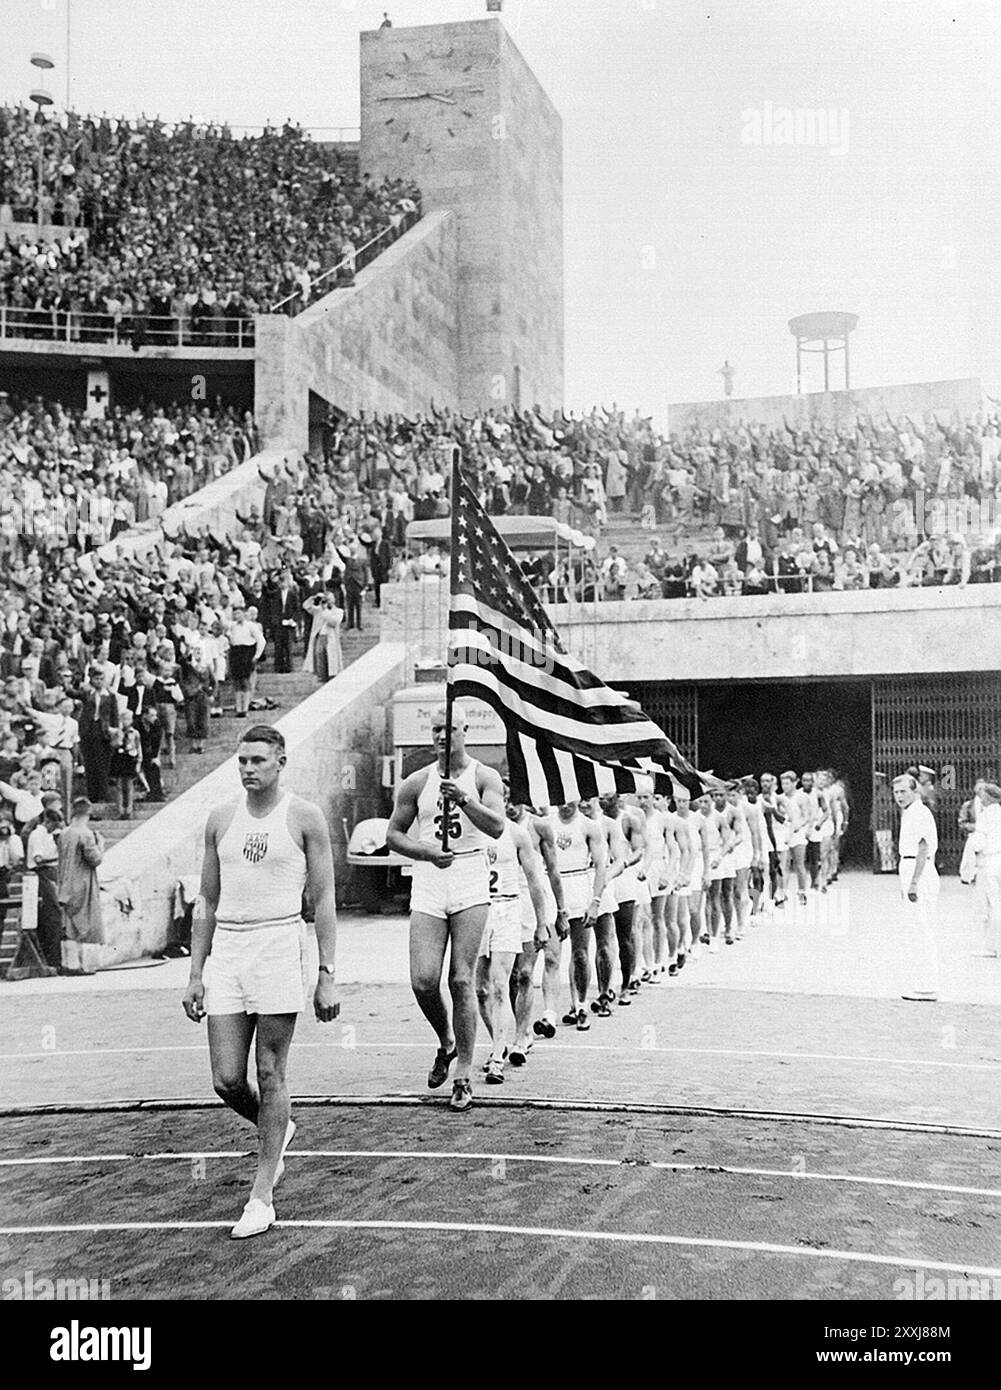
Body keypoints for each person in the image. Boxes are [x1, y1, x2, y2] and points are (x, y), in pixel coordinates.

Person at [182, 726, 340, 1239]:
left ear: (280, 762)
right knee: (227, 1079)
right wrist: (195, 972)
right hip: (228, 947)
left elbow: (324, 902)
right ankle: (280, 1128)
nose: (248, 769)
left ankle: (261, 1195)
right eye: (241, 761)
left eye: (257, 760)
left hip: (278, 944)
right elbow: (205, 898)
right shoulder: (220, 818)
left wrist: (327, 975)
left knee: (270, 1073)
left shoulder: (305, 816)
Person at [385, 702, 505, 1112]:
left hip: (470, 873)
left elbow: (497, 827)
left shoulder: (484, 776)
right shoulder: (417, 781)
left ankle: (464, 1075)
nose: (441, 736)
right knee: (422, 979)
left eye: (449, 729)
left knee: (461, 979)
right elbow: (393, 835)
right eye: (435, 729)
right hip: (431, 876)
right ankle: (446, 1039)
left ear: (464, 731)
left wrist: (466, 800)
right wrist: (423, 851)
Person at [476, 804, 549, 1083]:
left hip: (508, 908)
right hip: (477, 910)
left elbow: (534, 881)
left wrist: (542, 924)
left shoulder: (517, 834)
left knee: (500, 984)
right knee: (480, 990)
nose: (500, 804)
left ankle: (496, 1057)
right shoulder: (472, 833)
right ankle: (500, 1039)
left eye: (505, 798)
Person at [507, 799, 566, 1057]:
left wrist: (562, 910)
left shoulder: (538, 826)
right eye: (504, 801)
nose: (509, 806)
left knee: (532, 969)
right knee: (513, 975)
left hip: (537, 899)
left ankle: (546, 1017)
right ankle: (522, 1029)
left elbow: (553, 870)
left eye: (513, 800)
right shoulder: (493, 827)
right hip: (508, 900)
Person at [549, 798, 607, 1027]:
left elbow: (601, 864)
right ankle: (551, 1011)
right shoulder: (547, 823)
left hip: (579, 887)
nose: (565, 806)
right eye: (560, 801)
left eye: (569, 801)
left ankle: (581, 1004)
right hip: (553, 887)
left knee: (580, 954)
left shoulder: (589, 826)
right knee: (552, 956)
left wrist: (595, 901)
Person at [893, 772, 940, 1002]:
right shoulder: (910, 812)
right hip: (910, 867)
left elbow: (923, 848)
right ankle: (921, 982)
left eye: (903, 791)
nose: (899, 796)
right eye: (896, 792)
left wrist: (913, 882)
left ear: (915, 791)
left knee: (921, 928)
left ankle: (927, 986)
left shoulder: (919, 812)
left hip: (918, 870)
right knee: (915, 927)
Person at [56, 797, 105, 976]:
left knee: (68, 924)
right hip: (82, 883)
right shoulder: (85, 834)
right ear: (88, 814)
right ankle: (81, 965)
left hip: (64, 882)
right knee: (82, 924)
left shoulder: (64, 832)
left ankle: (68, 963)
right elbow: (95, 859)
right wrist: (101, 845)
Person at [967, 782, 1001, 958]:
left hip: (989, 861)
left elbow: (979, 842)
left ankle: (993, 946)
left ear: (987, 797)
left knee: (993, 904)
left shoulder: (986, 815)